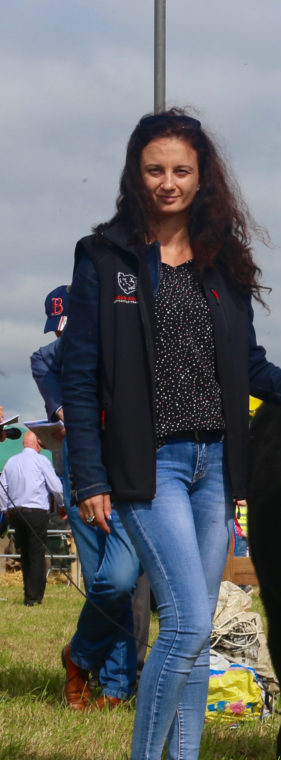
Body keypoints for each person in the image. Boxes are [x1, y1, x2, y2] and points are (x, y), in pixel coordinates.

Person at [62, 108, 281, 760]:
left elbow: (251, 367)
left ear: (203, 178)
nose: (168, 182)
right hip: (149, 466)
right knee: (184, 622)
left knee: (196, 629)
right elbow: (80, 376)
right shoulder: (103, 257)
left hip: (215, 466)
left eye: (182, 170)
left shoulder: (220, 263)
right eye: (155, 169)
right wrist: (90, 477)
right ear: (135, 174)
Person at [31, 285, 144, 710]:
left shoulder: (119, 332)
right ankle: (115, 686)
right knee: (102, 578)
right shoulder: (62, 350)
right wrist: (62, 409)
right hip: (82, 467)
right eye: (60, 329)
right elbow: (41, 359)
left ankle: (77, 656)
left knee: (117, 580)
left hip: (127, 467)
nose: (64, 336)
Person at [0, 430, 64, 605]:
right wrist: (62, 505)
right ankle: (34, 597)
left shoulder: (11, 461)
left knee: (25, 553)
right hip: (36, 512)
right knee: (37, 553)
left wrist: (5, 509)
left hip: (15, 512)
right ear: (37, 443)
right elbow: (56, 487)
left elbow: (2, 488)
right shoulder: (41, 460)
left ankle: (28, 592)